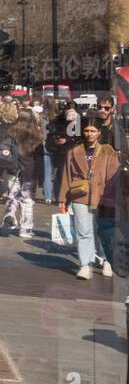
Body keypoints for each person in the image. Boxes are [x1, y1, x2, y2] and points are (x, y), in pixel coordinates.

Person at [58, 112, 120, 280]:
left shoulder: (108, 150)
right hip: (80, 194)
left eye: (93, 131)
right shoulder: (74, 150)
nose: (90, 134)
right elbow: (66, 175)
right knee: (83, 231)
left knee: (103, 231)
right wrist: (63, 199)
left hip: (103, 197)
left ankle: (106, 260)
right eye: (87, 130)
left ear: (99, 132)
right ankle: (85, 264)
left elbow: (114, 176)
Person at [2, 108, 41, 239]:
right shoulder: (36, 136)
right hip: (29, 171)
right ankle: (26, 229)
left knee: (12, 196)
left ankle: (10, 217)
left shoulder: (11, 133)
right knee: (27, 201)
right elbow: (39, 157)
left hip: (13, 169)